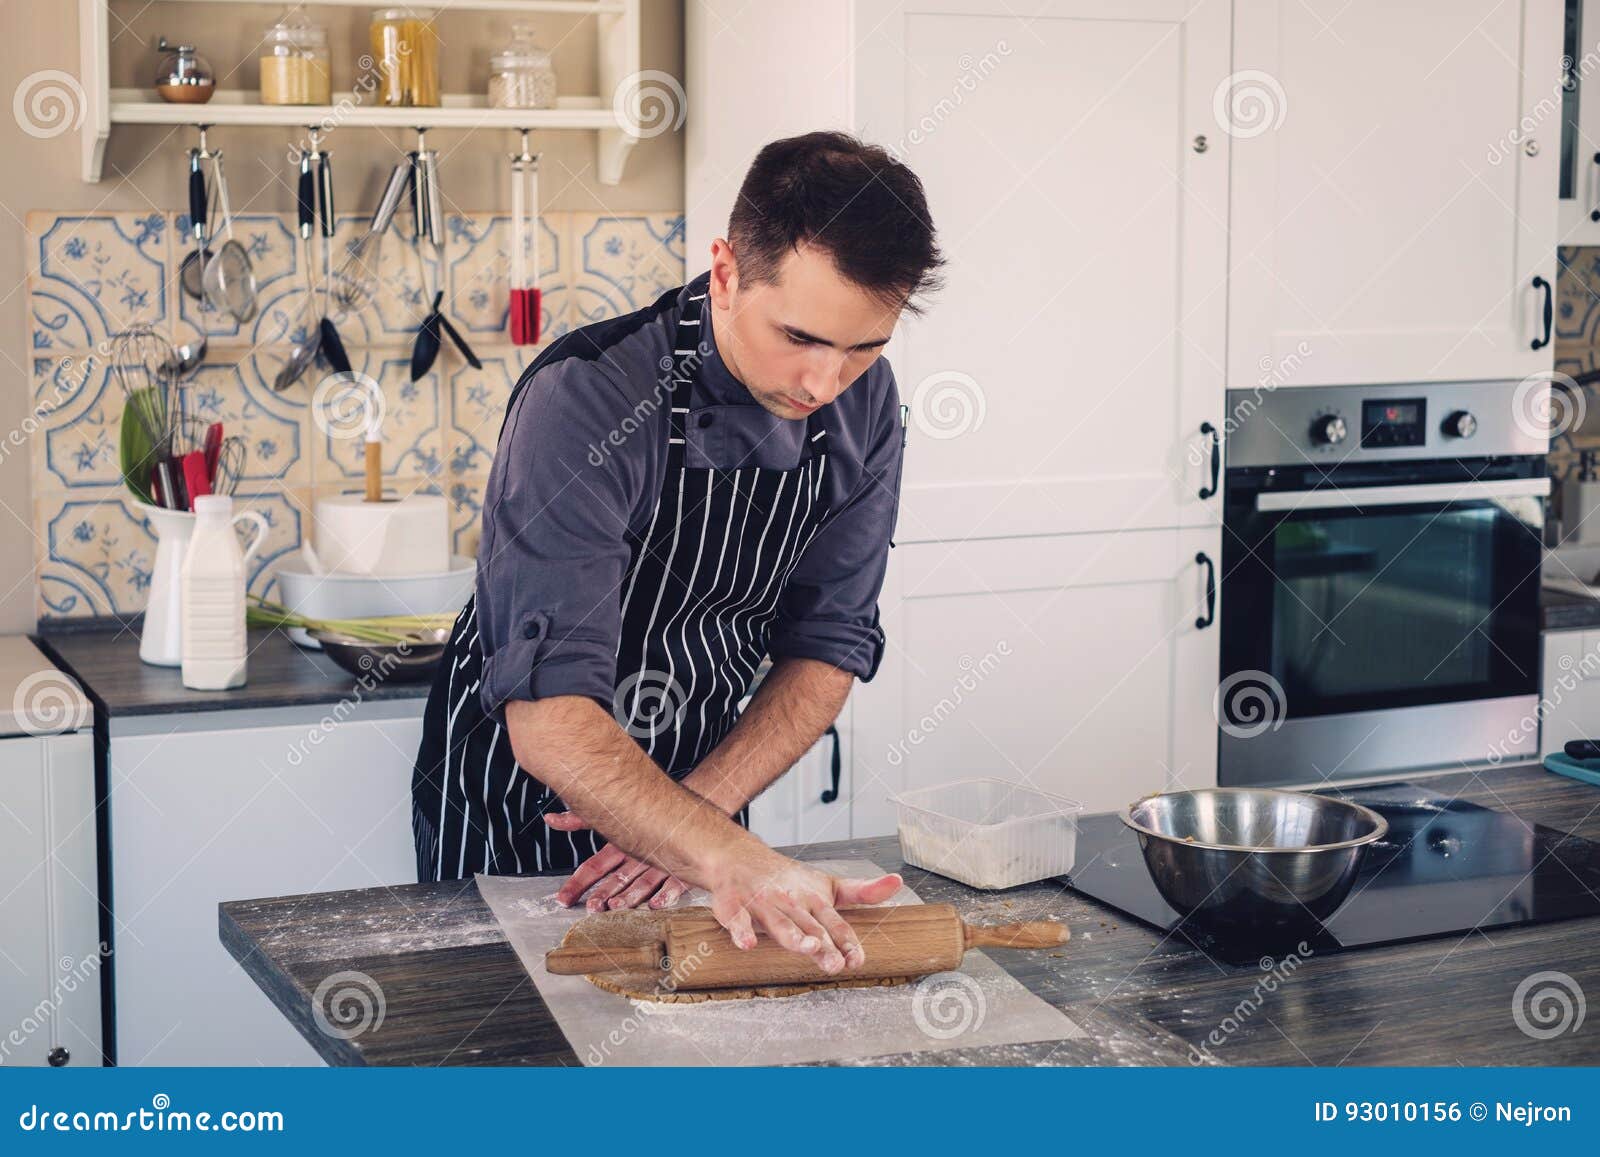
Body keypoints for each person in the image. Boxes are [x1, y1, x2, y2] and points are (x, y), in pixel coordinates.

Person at [412, 131, 942, 974]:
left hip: (710, 804)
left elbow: (827, 645)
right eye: (800, 337)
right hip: (523, 816)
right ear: (727, 272)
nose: (823, 384)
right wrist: (719, 849)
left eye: (864, 347)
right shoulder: (585, 399)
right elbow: (549, 718)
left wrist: (701, 821)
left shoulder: (866, 406)